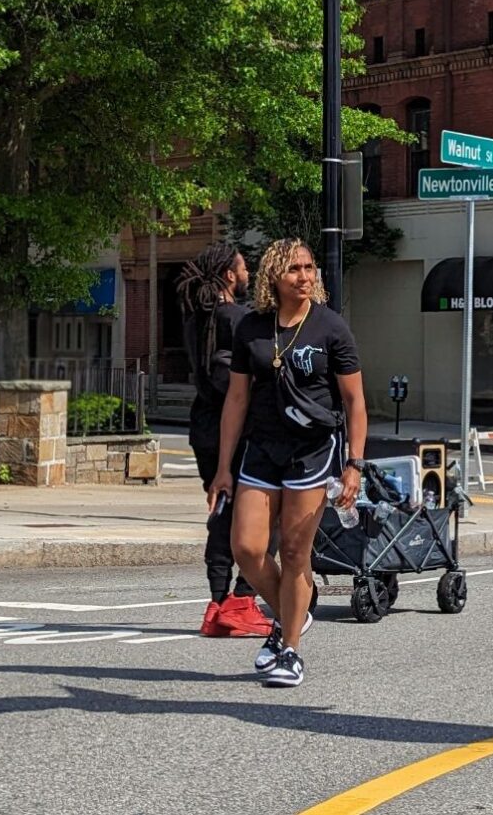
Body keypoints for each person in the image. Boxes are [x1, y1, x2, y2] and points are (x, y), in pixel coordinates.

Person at [208, 239, 368, 688]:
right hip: (260, 450)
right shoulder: (252, 328)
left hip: (312, 453)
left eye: (310, 267)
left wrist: (354, 463)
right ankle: (290, 613)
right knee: (248, 549)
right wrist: (223, 467)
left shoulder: (331, 328)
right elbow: (236, 399)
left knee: (296, 552)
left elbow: (355, 401)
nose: (305, 276)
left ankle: (290, 648)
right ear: (274, 277)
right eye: (295, 269)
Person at [176, 243, 273, 639]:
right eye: (244, 267)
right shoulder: (239, 319)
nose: (248, 273)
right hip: (241, 429)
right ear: (230, 275)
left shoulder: (194, 318)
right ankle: (243, 600)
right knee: (264, 516)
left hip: (204, 427)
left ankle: (217, 603)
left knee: (221, 512)